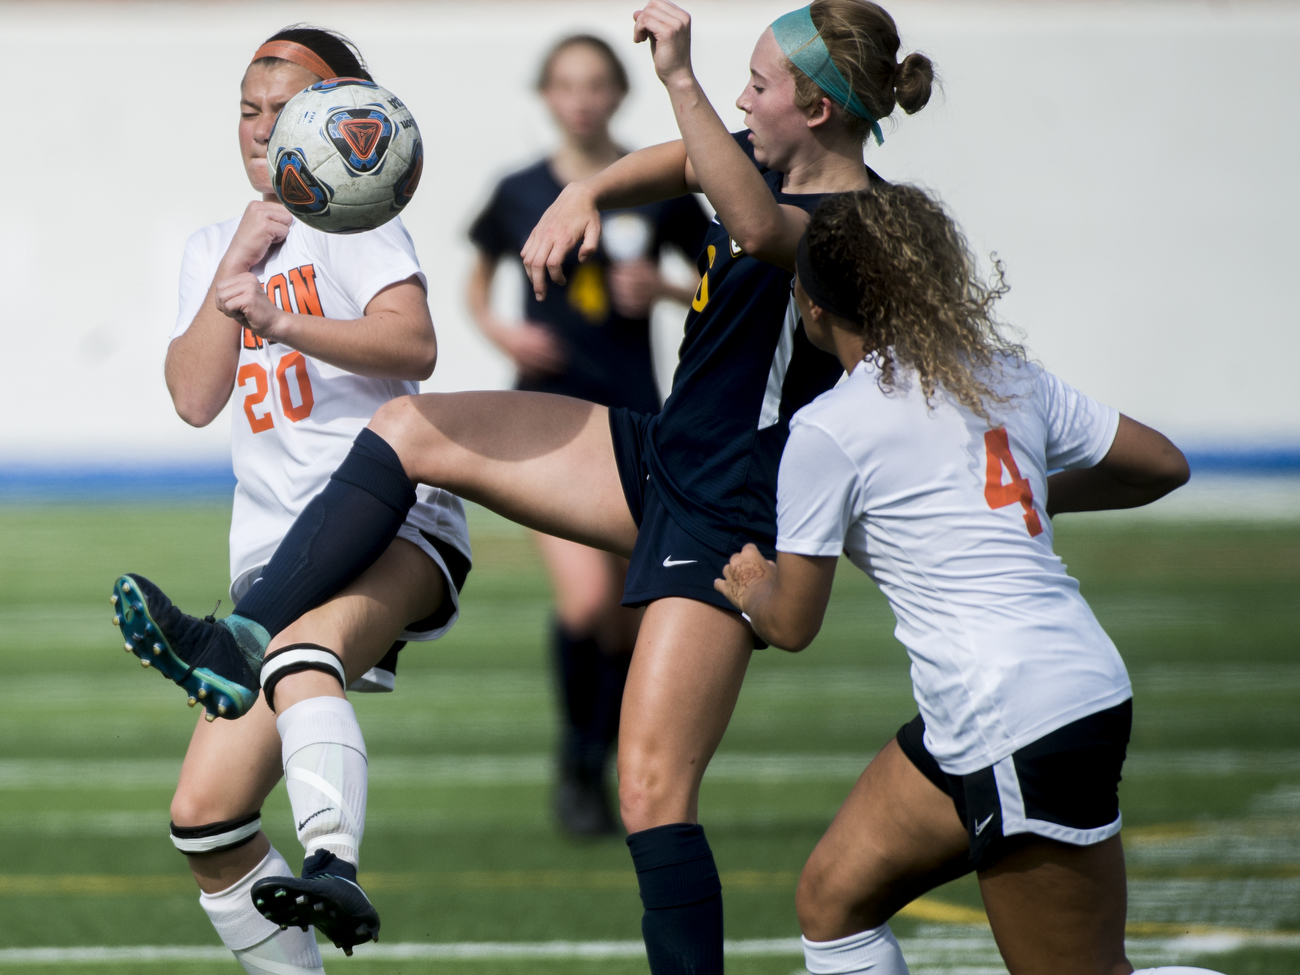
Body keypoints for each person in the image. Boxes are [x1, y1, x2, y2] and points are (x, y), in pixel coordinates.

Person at [113, 3, 932, 972]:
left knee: (651, 791)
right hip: (660, 449)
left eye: (758, 85)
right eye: (245, 109)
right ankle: (240, 639)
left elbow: (753, 229)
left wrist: (678, 76)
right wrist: (587, 195)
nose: (741, 100)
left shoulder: (861, 223)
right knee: (405, 436)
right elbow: (673, 166)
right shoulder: (746, 157)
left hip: (731, 503)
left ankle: (327, 805)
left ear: (820, 109)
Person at [713, 188, 1203, 975]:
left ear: (808, 303)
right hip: (1033, 692)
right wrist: (1031, 495)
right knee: (833, 902)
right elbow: (1163, 464)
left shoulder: (829, 427)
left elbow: (793, 622)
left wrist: (750, 585)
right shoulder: (1001, 374)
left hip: (1009, 711)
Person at [112, 26, 471, 972]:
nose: (261, 129)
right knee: (206, 819)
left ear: (338, 117)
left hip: (394, 520)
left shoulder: (356, 216)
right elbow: (195, 398)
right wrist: (238, 263)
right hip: (275, 557)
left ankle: (333, 862)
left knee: (301, 651)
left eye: (284, 111)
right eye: (247, 110)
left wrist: (282, 315)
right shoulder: (216, 241)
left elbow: (413, 344)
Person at [466, 33, 708, 836]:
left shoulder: (653, 184)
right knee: (590, 599)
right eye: (566, 84)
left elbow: (728, 272)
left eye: (596, 82)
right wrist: (505, 336)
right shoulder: (519, 189)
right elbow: (475, 282)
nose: (581, 97)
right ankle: (576, 766)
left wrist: (668, 286)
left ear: (617, 93)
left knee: (633, 617)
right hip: (543, 418)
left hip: (638, 419)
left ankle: (597, 765)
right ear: (547, 94)